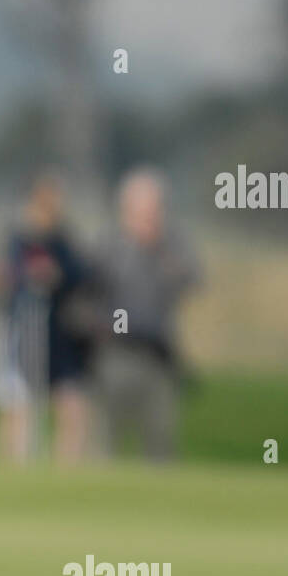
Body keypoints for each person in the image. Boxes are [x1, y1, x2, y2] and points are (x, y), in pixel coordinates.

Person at [92, 167, 202, 461]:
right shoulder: (109, 244)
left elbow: (191, 280)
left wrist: (159, 249)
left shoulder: (172, 244)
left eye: (155, 208)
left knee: (161, 435)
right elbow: (88, 289)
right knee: (105, 436)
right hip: (115, 350)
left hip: (158, 352)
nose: (149, 216)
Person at [0, 172, 95, 463]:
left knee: (71, 407)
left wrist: (57, 276)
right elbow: (3, 278)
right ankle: (14, 469)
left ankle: (67, 475)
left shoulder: (63, 241)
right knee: (17, 406)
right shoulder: (17, 238)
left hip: (58, 335)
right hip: (21, 330)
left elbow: (81, 275)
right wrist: (26, 276)